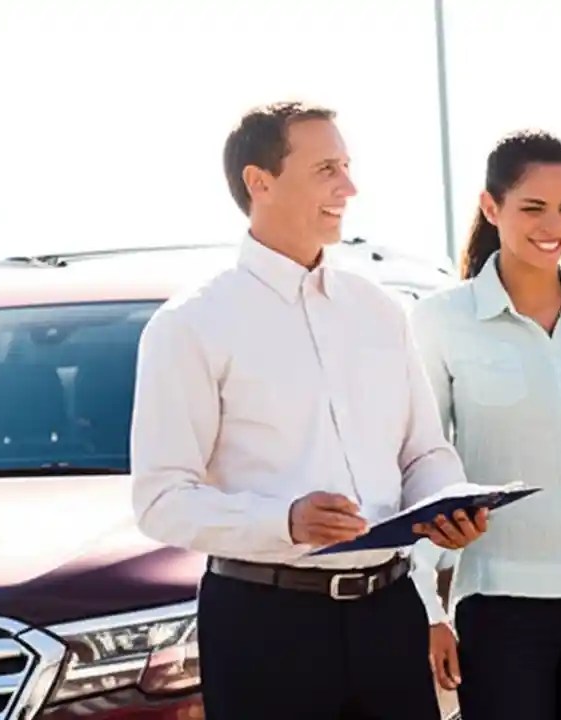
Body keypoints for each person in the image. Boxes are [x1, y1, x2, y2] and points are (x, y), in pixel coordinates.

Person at [128, 100, 489, 720]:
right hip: (265, 628)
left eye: (346, 166)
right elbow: (160, 500)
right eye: (327, 168)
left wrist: (446, 505)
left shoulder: (379, 310)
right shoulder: (190, 325)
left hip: (389, 615)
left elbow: (424, 451)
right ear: (259, 182)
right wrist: (286, 522)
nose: (349, 187)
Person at [409, 129, 561, 720]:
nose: (554, 225)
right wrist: (429, 611)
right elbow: (414, 464)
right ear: (492, 207)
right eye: (533, 207)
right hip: (498, 605)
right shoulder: (440, 320)